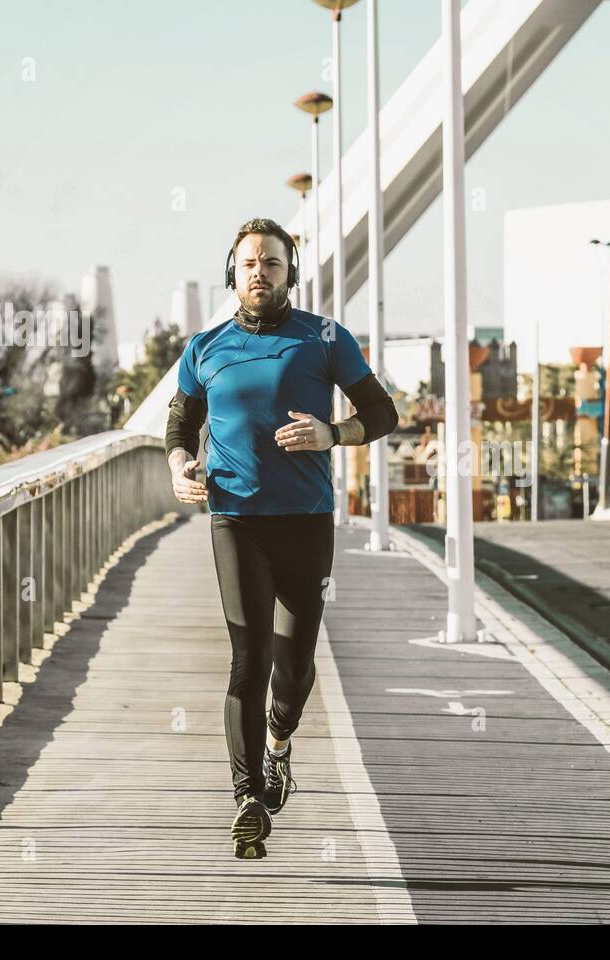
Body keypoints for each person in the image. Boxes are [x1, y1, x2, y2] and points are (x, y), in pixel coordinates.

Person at [165, 217, 397, 859]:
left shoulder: (325, 338)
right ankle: (246, 798)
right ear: (232, 274)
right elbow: (180, 423)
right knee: (250, 659)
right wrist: (180, 467)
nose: (258, 272)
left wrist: (333, 434)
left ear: (289, 271)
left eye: (271, 262)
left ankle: (278, 744)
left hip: (305, 523)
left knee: (293, 668)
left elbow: (383, 413)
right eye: (247, 263)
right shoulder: (205, 347)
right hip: (235, 522)